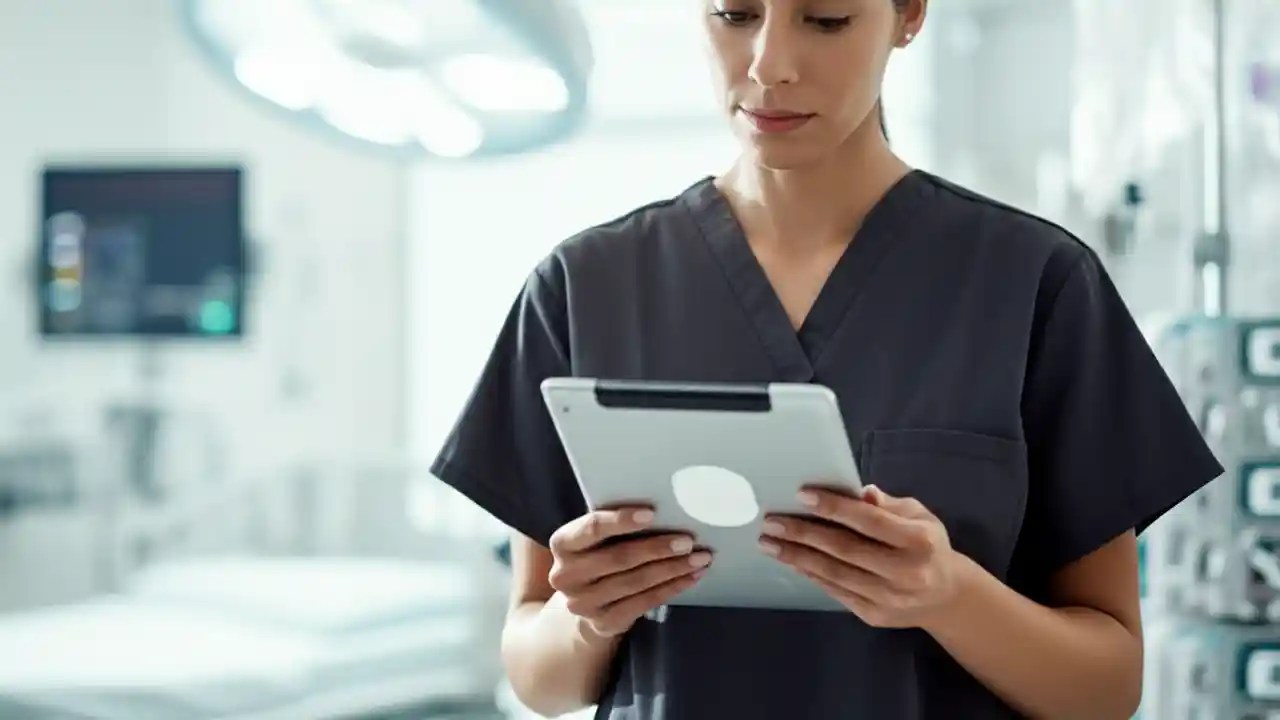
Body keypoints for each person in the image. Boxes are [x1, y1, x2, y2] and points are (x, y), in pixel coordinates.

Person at [429, 0, 1225, 717]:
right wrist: (589, 615)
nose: (769, 63)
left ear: (908, 15)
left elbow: (1109, 686)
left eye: (827, 20)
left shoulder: (1037, 287)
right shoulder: (584, 288)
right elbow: (538, 676)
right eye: (735, 14)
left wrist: (951, 595)